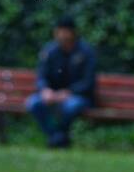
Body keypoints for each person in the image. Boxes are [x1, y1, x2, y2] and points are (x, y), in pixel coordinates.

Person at [25, 16, 97, 148]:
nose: (61, 35)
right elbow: (41, 76)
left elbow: (88, 82)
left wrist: (69, 92)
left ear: (73, 32)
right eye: (59, 31)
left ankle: (58, 136)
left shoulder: (86, 52)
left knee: (71, 106)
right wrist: (45, 90)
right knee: (33, 103)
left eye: (65, 31)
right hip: (52, 95)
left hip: (77, 96)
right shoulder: (50, 51)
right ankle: (56, 136)